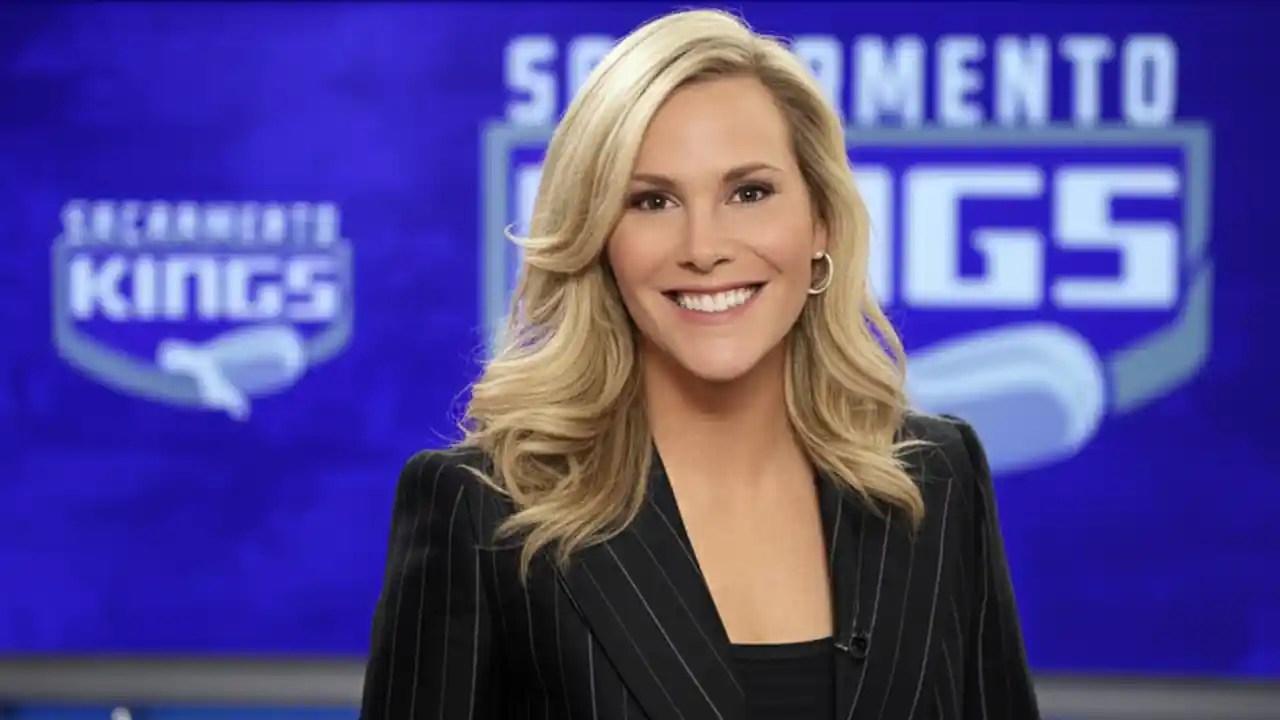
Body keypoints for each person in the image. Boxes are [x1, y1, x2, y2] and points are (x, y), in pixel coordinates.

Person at [360, 8, 1040, 720]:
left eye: (749, 192)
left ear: (820, 223)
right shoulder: (485, 510)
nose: (705, 246)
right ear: (599, 241)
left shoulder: (935, 478)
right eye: (652, 201)